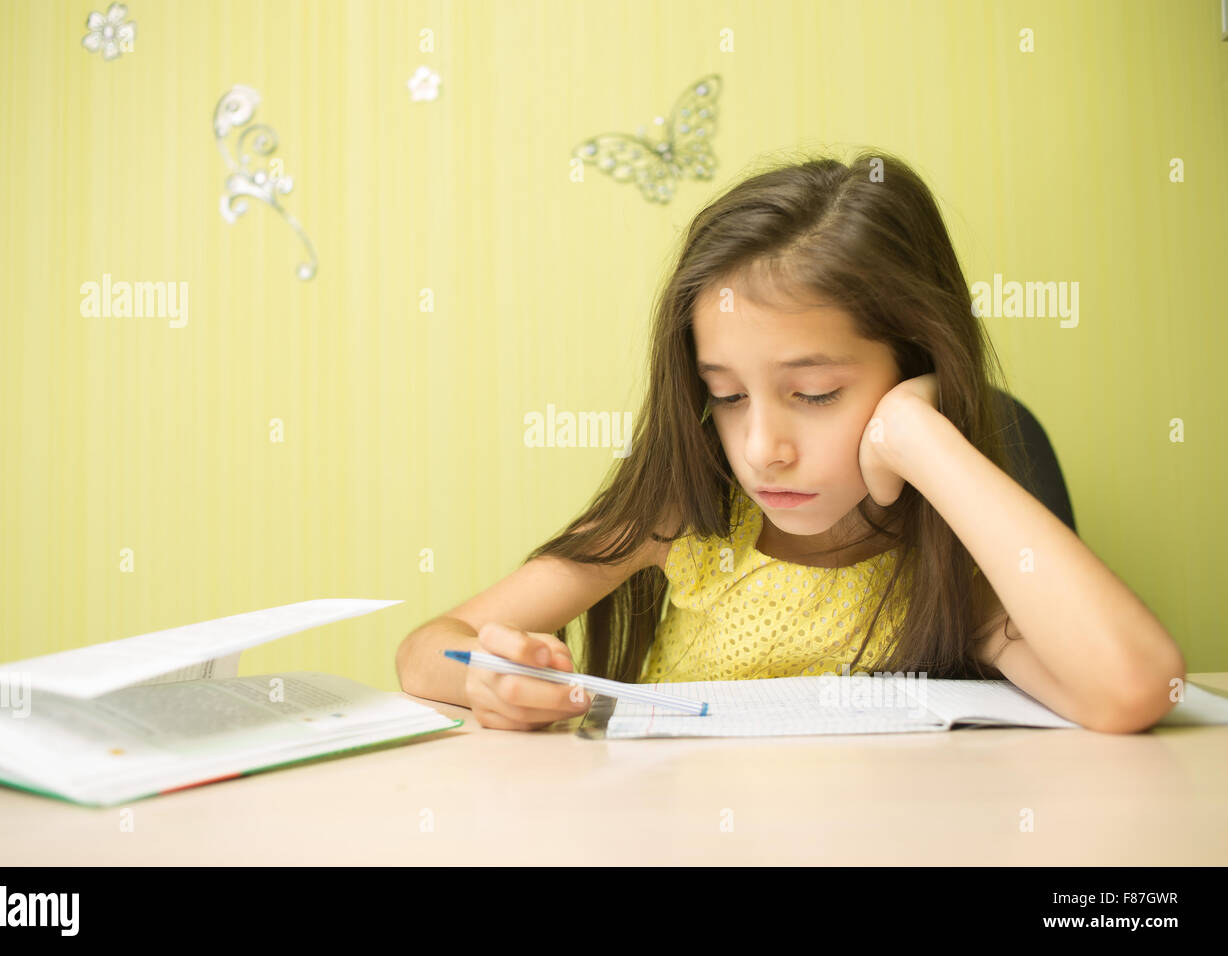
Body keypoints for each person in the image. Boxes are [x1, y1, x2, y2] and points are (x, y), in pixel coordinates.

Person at [395, 150, 1185, 734]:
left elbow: (1136, 688)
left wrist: (920, 435)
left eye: (814, 395)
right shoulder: (689, 513)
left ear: (915, 365)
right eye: (727, 396)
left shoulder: (947, 568)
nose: (762, 447)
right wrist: (494, 681)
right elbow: (428, 650)